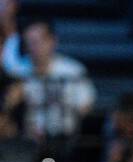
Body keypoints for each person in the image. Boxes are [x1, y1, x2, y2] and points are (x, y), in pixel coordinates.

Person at [1, 20, 95, 154]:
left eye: (37, 42)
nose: (33, 48)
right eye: (29, 43)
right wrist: (12, 101)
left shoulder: (73, 71)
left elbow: (85, 105)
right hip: (26, 141)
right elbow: (7, 109)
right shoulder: (16, 72)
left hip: (66, 139)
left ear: (53, 41)